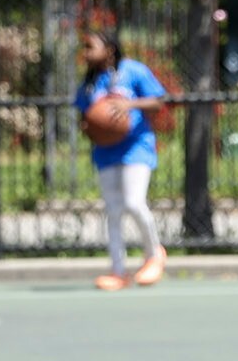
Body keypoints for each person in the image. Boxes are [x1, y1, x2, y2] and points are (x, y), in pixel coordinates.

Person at [71, 28, 171, 291]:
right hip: (105, 152)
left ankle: (153, 255)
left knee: (134, 202)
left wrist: (129, 106)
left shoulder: (132, 70)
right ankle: (118, 271)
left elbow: (159, 100)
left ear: (110, 49)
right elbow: (86, 115)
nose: (86, 52)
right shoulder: (91, 83)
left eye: (91, 47)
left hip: (136, 147)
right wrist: (91, 126)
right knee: (113, 211)